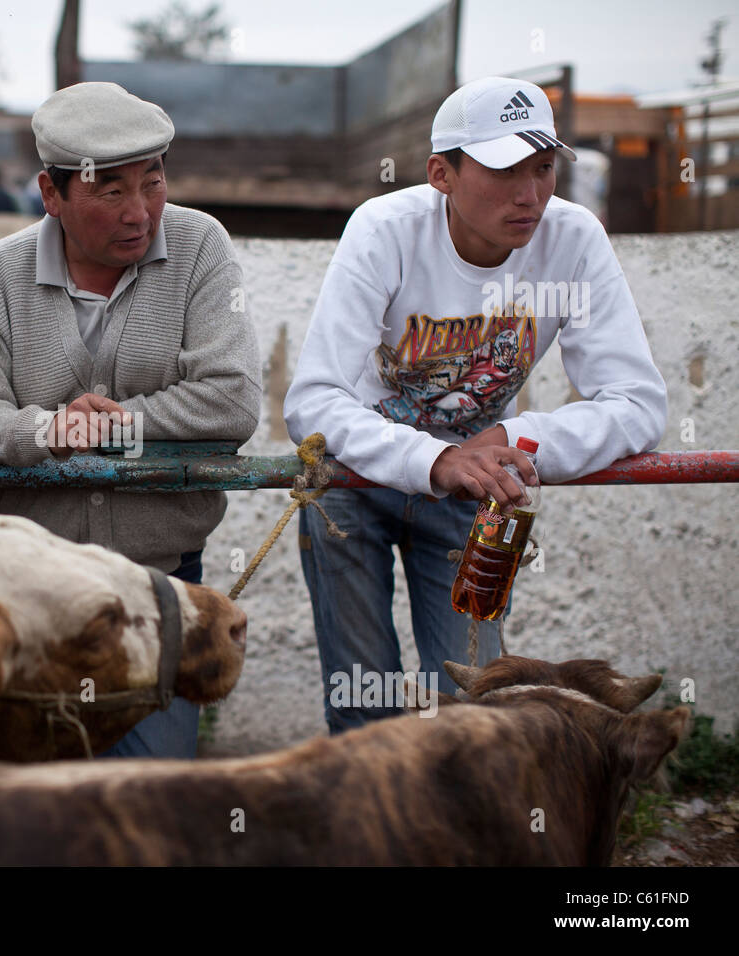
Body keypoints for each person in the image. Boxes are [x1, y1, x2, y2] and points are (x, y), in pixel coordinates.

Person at [283, 76, 667, 734]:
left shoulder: (573, 240)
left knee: (474, 707)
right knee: (362, 700)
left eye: (544, 169)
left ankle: (458, 838)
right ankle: (371, 835)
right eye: (504, 171)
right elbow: (315, 399)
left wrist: (515, 440)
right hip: (354, 481)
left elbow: (636, 403)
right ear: (441, 174)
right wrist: (434, 459)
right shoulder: (384, 230)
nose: (530, 195)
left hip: (474, 493)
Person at [0, 81, 261, 758]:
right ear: (52, 195)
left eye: (153, 182)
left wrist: (115, 425)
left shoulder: (201, 246)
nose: (140, 211)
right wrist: (47, 430)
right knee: (17, 791)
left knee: (148, 792)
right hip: (23, 590)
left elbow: (232, 399)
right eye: (110, 191)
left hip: (158, 583)